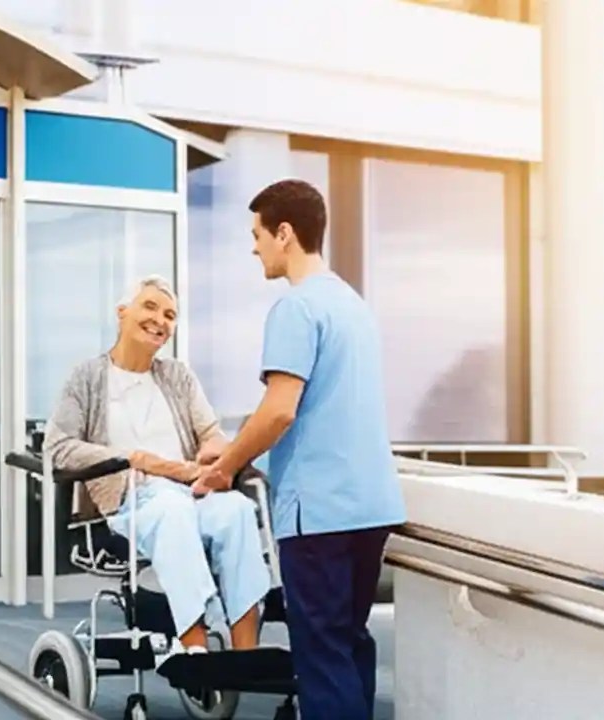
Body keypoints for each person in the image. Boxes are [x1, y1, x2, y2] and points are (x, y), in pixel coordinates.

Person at [195, 179, 407, 719]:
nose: (254, 247)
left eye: (258, 235)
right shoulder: (352, 304)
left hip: (320, 513)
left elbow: (281, 408)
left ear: (284, 233)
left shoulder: (296, 308)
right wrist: (232, 445)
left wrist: (227, 466)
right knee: (348, 643)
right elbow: (322, 410)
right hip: (368, 505)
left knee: (320, 655)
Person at [44, 274, 270, 653]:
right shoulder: (87, 377)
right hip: (133, 504)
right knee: (171, 510)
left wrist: (213, 451)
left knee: (237, 510)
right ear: (122, 313)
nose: (160, 320)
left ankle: (245, 656)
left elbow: (210, 433)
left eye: (170, 314)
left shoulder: (177, 376)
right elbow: (59, 448)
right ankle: (194, 649)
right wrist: (135, 459)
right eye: (149, 307)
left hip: (191, 495)